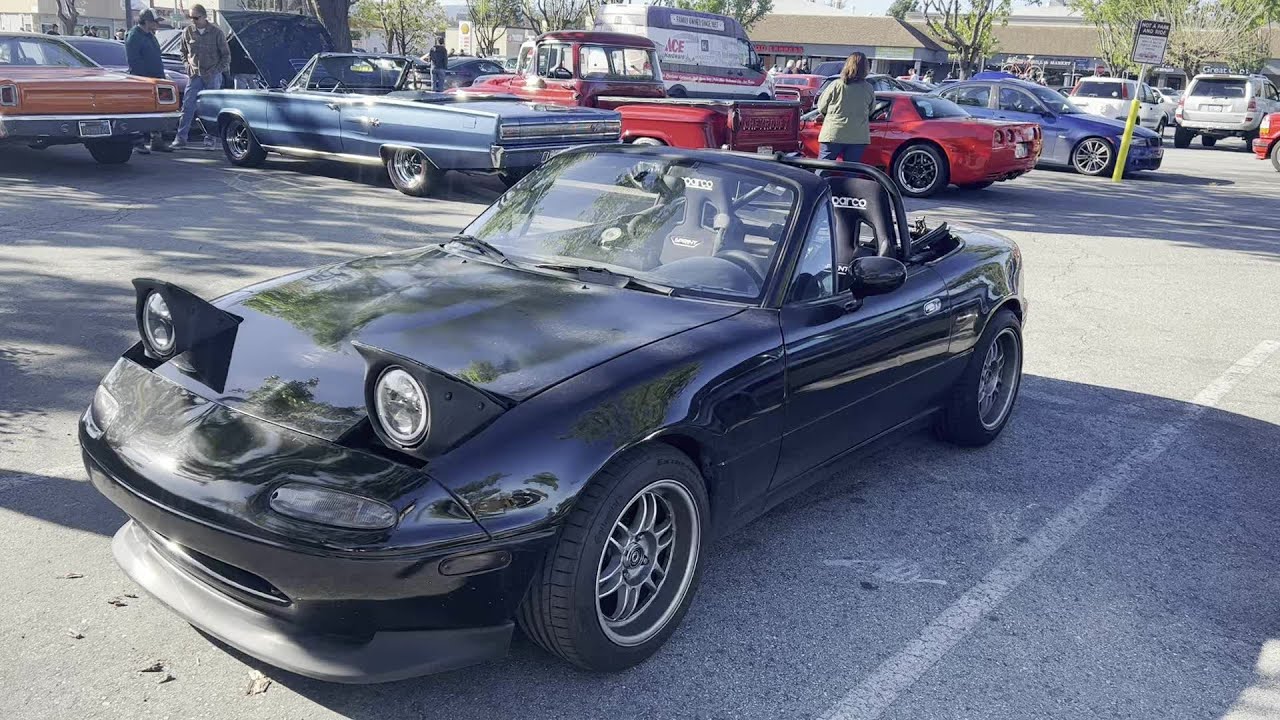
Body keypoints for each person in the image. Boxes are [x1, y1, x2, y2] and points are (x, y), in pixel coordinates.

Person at [173, 4, 230, 150]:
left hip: (212, 75)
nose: (193, 21)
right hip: (194, 75)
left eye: (196, 17)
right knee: (188, 106)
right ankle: (181, 138)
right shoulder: (188, 32)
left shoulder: (217, 33)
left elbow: (226, 56)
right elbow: (183, 52)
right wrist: (187, 66)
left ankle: (210, 139)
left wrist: (216, 71)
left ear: (204, 17)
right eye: (190, 17)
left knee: (211, 109)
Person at [813, 52, 874, 163]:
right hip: (857, 136)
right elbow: (871, 110)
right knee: (851, 172)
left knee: (823, 168)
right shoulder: (868, 88)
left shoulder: (836, 85)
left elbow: (821, 106)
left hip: (833, 134)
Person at [126, 10, 171, 153]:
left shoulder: (150, 36)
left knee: (157, 110)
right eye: (154, 21)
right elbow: (134, 60)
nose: (157, 24)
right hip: (142, 80)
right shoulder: (134, 36)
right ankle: (138, 142)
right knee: (139, 110)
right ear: (146, 21)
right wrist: (143, 80)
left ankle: (156, 140)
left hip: (157, 79)